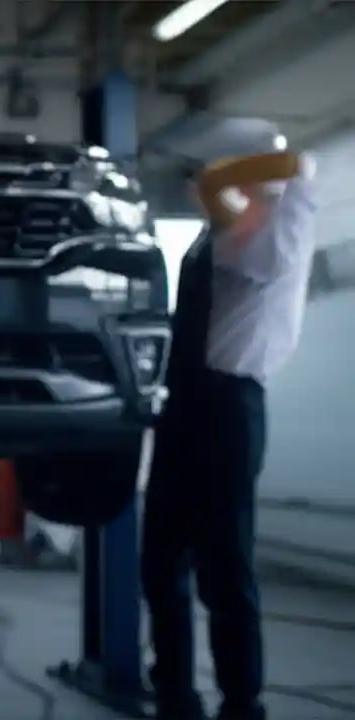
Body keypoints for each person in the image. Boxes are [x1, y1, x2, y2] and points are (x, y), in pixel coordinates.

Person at [142, 123, 318, 720]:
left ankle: (242, 705)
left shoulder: (282, 223)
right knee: (161, 562)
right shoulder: (220, 232)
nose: (203, 183)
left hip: (226, 411)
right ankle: (174, 697)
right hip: (185, 404)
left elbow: (281, 167)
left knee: (224, 569)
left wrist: (224, 171)